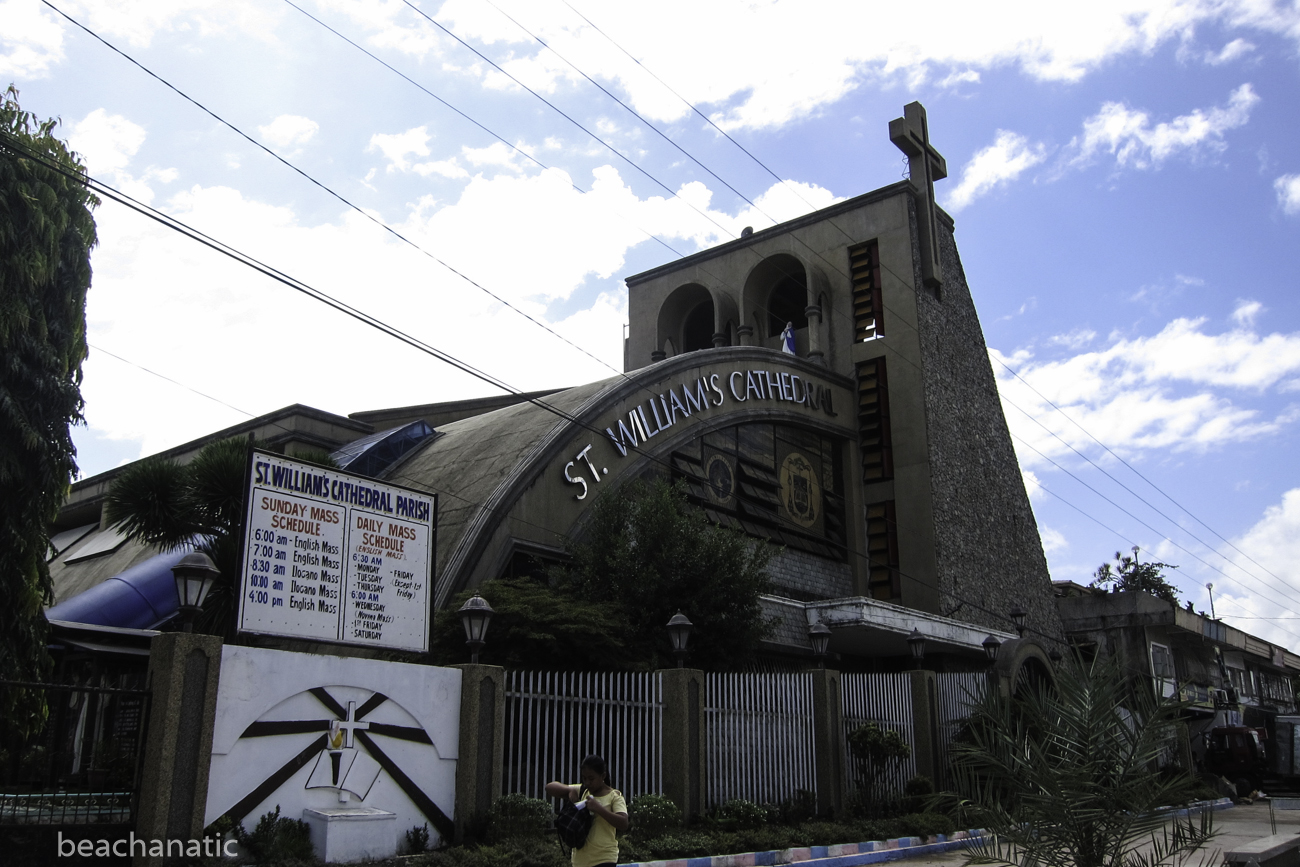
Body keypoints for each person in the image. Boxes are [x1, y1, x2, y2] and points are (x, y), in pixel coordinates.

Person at [545, 755, 628, 867]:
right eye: (584, 778)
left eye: (591, 778)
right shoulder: (583, 791)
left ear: (603, 776)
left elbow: (623, 822)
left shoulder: (614, 796)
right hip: (580, 861)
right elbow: (549, 788)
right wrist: (569, 790)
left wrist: (598, 808)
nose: (587, 782)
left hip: (604, 859)